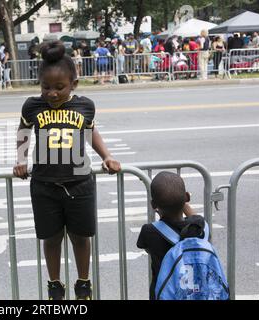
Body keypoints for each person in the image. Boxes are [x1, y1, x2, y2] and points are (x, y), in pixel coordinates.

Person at [13, 41, 121, 300]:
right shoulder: (32, 106)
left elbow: (90, 133)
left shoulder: (85, 106)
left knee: (81, 237)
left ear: (73, 84)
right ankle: (54, 285)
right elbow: (23, 132)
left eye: (59, 88)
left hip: (79, 184)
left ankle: (83, 284)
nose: (51, 93)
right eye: (46, 87)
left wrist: (106, 156)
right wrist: (21, 159)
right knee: (51, 239)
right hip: (44, 184)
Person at [136, 171, 203, 300]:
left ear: (153, 205)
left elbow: (144, 246)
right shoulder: (199, 228)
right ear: (187, 198)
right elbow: (195, 217)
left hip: (164, 294)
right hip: (195, 293)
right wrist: (183, 201)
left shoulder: (149, 231)